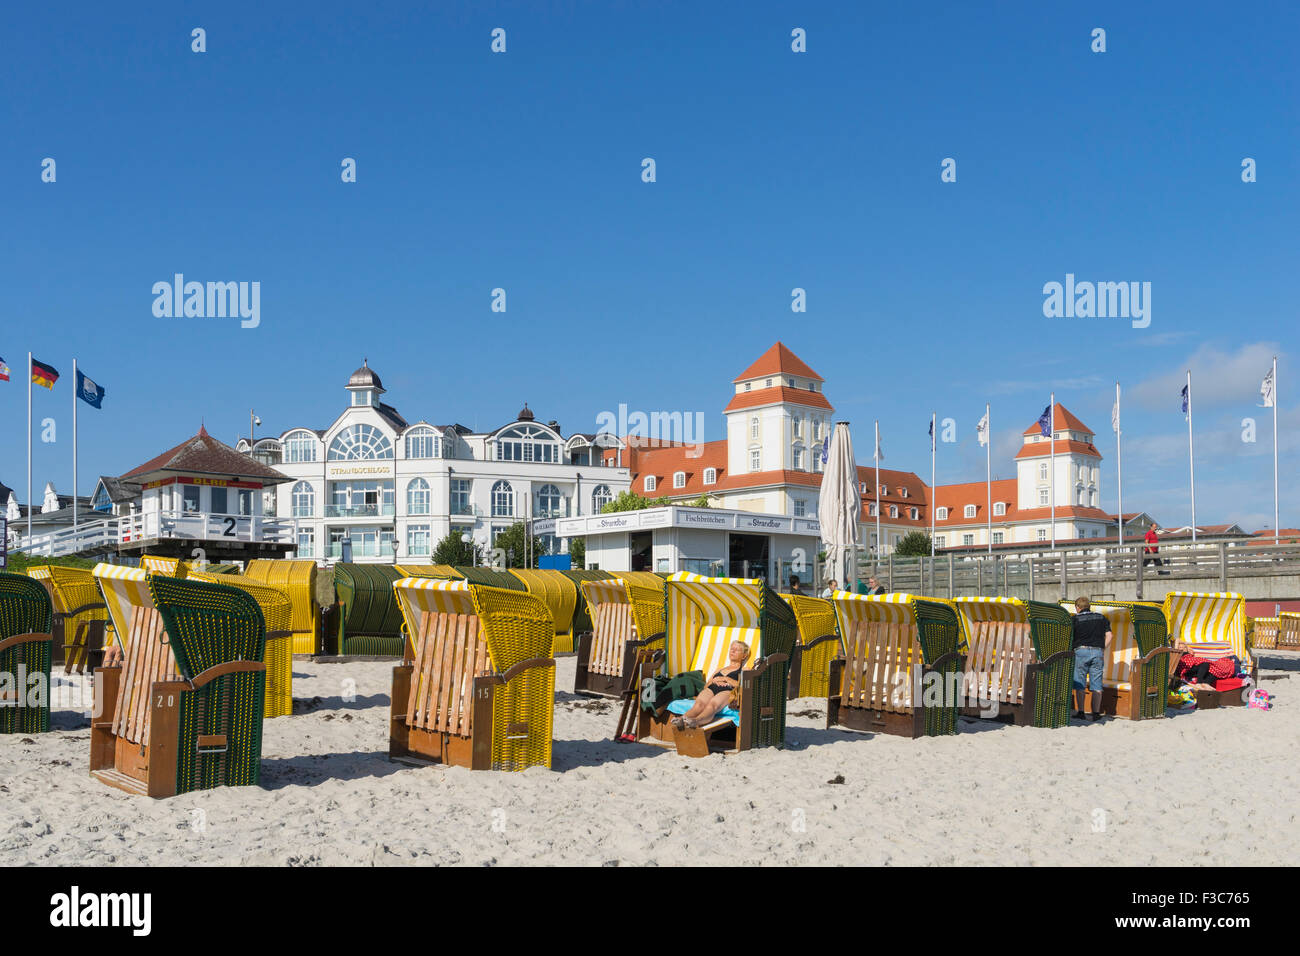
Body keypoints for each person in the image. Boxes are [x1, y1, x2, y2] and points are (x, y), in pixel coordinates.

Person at [671, 641, 749, 730]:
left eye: (737, 649)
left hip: (727, 690)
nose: (733, 651)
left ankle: (695, 721)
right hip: (711, 688)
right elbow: (705, 686)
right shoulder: (719, 669)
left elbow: (743, 686)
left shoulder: (745, 669)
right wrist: (714, 680)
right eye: (732, 649)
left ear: (744, 656)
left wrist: (725, 679)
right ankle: (681, 719)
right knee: (699, 704)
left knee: (712, 705)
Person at [1071, 596, 1112, 721]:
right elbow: (1110, 635)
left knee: (1079, 684)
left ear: (1078, 608)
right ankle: (1095, 713)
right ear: (1089, 606)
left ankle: (1081, 712)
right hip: (1097, 652)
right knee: (1097, 684)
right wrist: (1102, 648)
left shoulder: (1074, 619)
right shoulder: (1101, 618)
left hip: (1081, 651)